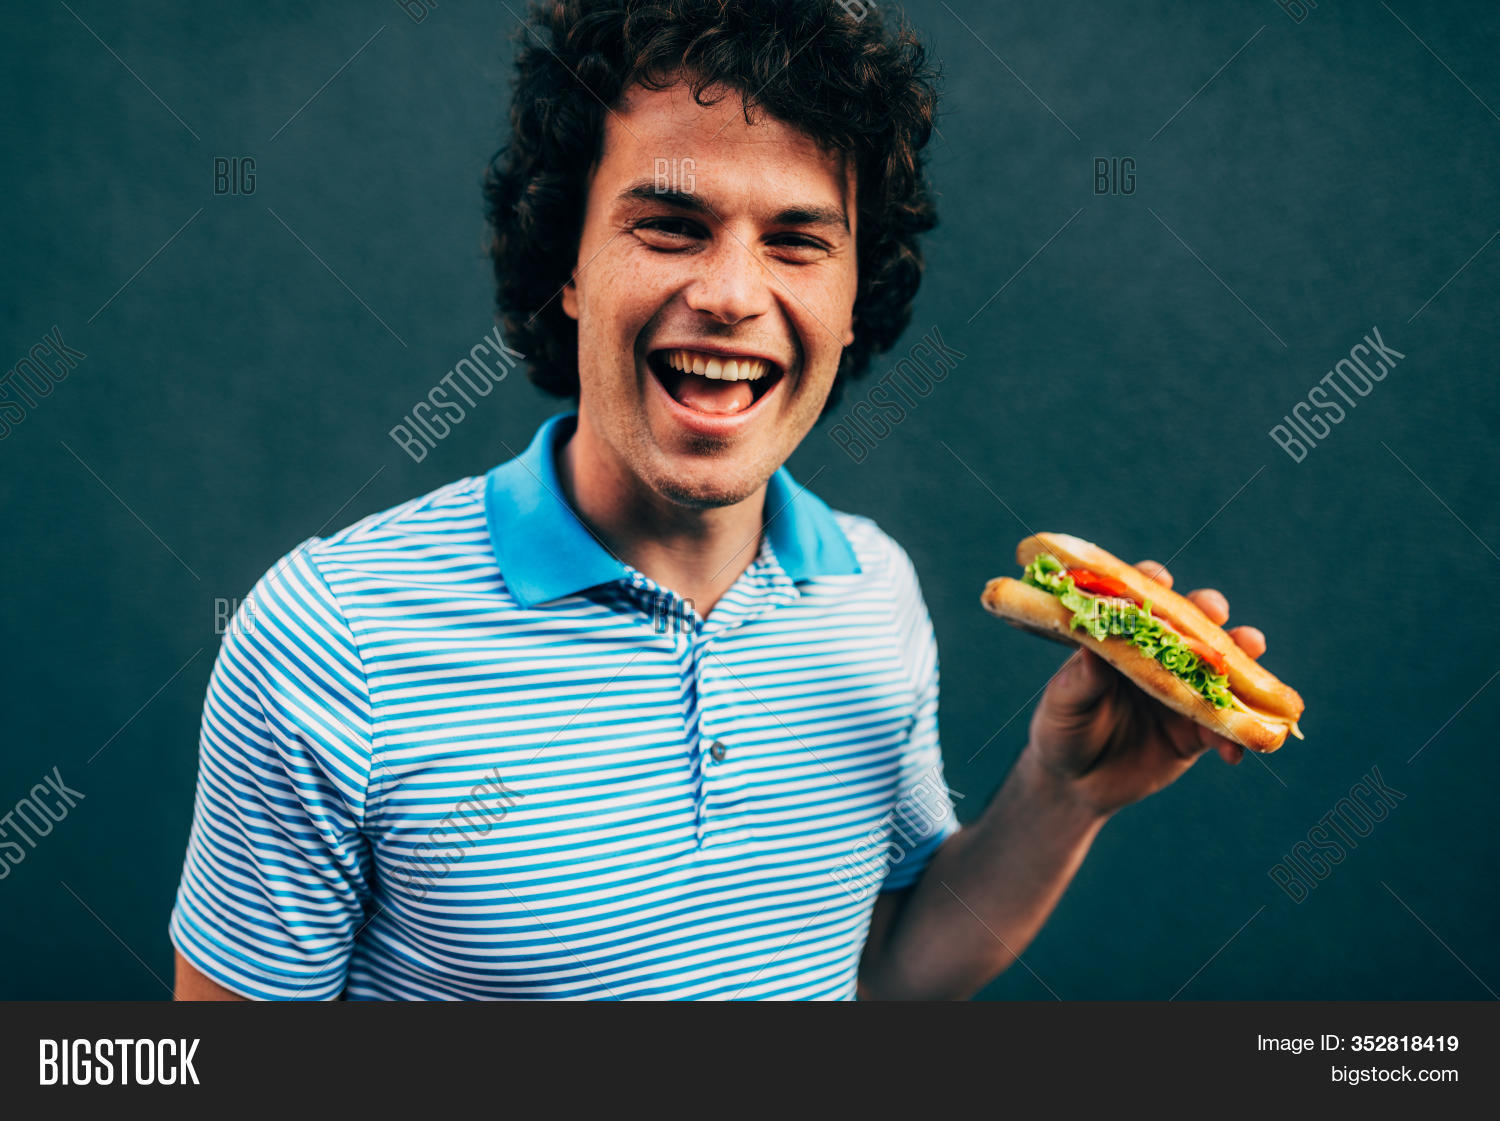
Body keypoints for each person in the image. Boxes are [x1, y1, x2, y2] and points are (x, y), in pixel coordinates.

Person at [172, 0, 1264, 1001]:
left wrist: (1064, 793)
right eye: (670, 226)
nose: (734, 295)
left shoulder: (874, 591)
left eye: (797, 242)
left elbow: (877, 978)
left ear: (847, 302)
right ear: (567, 260)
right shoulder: (332, 633)